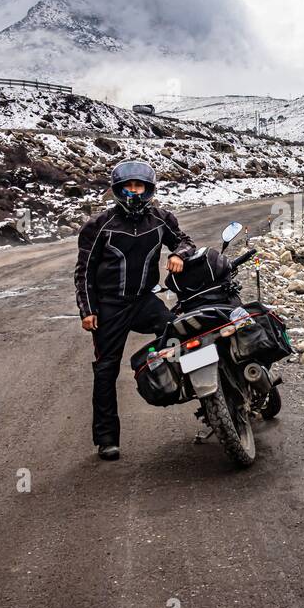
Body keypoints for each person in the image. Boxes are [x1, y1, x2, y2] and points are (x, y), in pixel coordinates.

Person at [74, 160, 195, 460]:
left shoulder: (161, 218)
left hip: (143, 300)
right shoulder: (98, 225)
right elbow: (83, 273)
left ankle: (213, 404)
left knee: (180, 333)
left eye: (138, 186)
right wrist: (87, 310)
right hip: (109, 306)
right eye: (128, 186)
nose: (133, 192)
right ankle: (106, 439)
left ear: (149, 189)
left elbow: (185, 242)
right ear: (117, 190)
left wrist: (179, 253)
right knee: (105, 370)